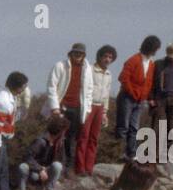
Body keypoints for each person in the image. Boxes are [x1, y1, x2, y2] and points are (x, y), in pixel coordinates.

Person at [44, 42, 95, 167]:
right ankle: (51, 163)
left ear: (84, 55)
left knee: (72, 138)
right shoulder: (60, 66)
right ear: (71, 53)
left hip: (78, 108)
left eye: (80, 53)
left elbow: (89, 90)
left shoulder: (88, 69)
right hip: (61, 106)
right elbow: (51, 87)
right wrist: (55, 107)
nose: (78, 55)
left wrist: (87, 109)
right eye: (76, 52)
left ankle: (68, 166)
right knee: (56, 136)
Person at [115, 35, 161, 159]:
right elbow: (123, 78)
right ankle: (118, 153)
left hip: (140, 100)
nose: (157, 51)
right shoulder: (133, 60)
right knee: (123, 126)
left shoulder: (151, 64)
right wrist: (132, 92)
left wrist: (145, 96)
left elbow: (149, 82)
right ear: (151, 47)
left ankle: (131, 153)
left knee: (134, 127)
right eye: (156, 48)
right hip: (127, 98)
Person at [76, 45, 116, 175]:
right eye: (105, 56)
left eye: (110, 57)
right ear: (99, 56)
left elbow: (106, 94)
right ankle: (80, 167)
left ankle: (89, 167)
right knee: (84, 136)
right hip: (89, 105)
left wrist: (105, 112)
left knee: (94, 138)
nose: (107, 59)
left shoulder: (109, 74)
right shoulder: (90, 70)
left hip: (100, 107)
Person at [15, 114, 68, 190]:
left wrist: (56, 175)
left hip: (46, 172)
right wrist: (40, 169)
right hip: (34, 171)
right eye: (63, 132)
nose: (64, 134)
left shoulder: (59, 143)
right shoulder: (41, 141)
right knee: (23, 167)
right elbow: (28, 157)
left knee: (58, 165)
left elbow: (62, 161)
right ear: (59, 132)